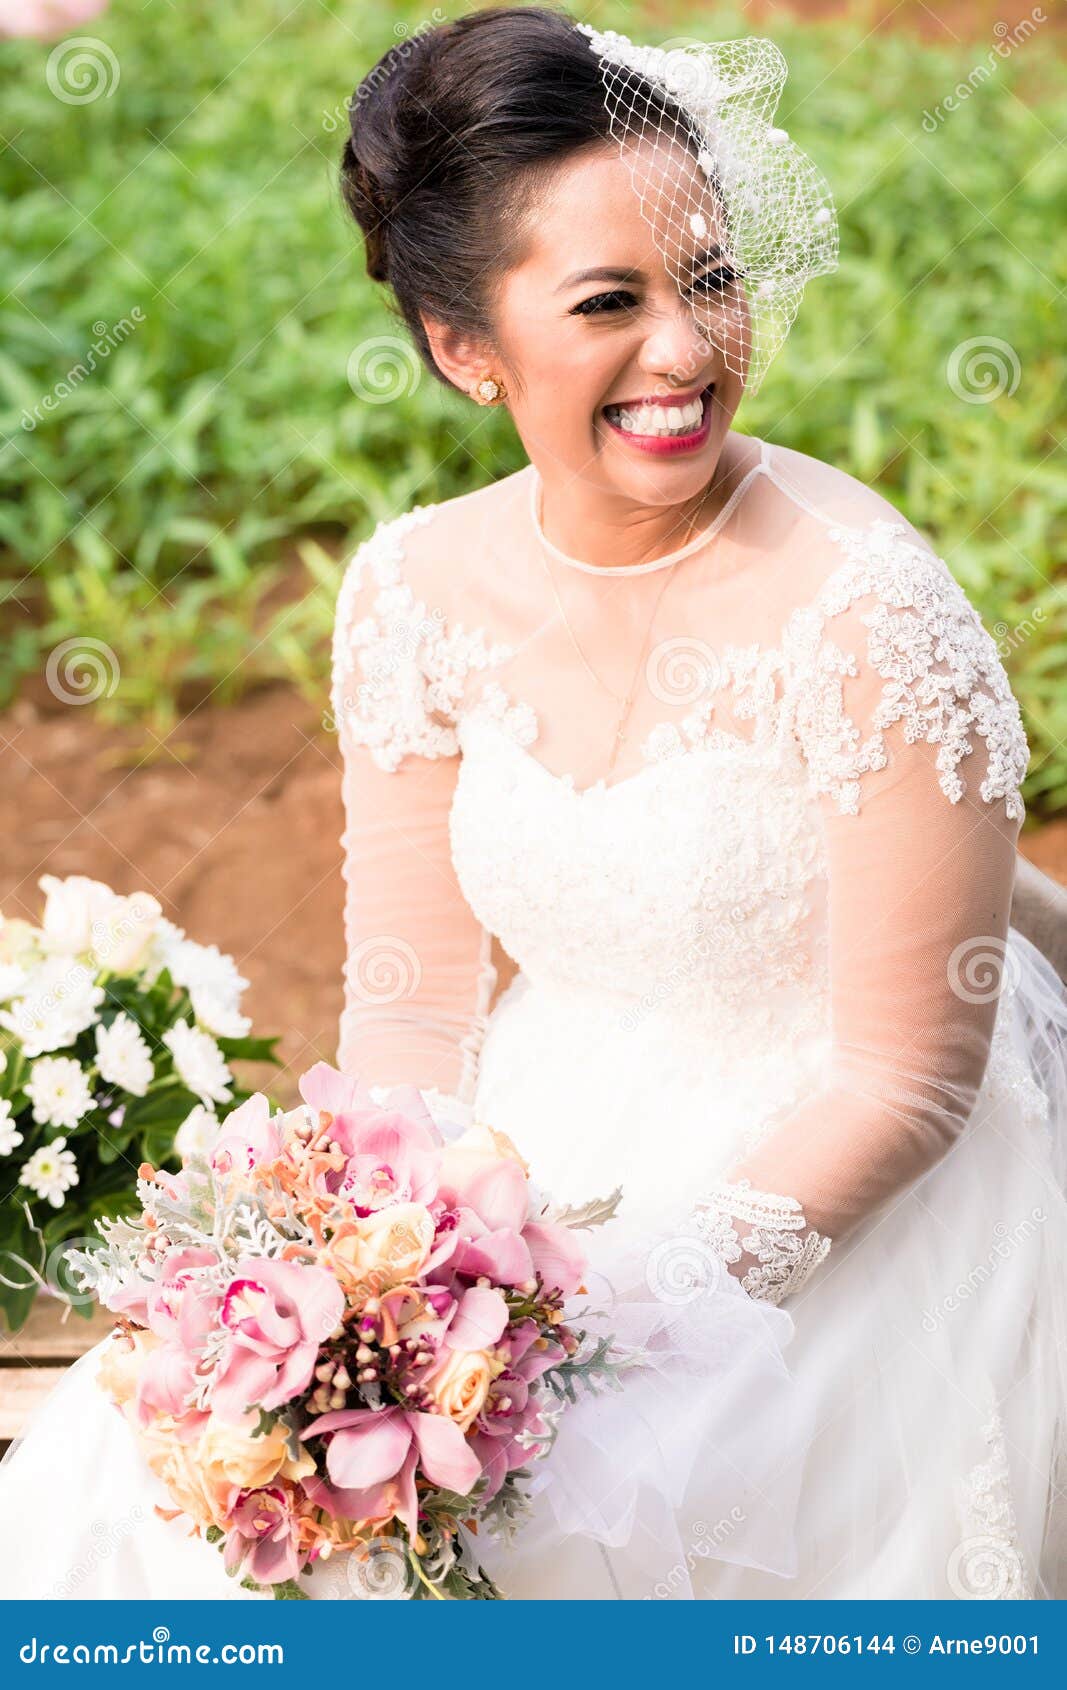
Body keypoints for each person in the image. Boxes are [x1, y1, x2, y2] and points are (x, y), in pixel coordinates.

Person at [2, 6, 1065, 1602]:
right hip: (551, 1148)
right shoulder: (415, 591)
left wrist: (604, 1329)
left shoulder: (868, 610)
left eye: (710, 279)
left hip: (857, 1190)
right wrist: (372, 1287)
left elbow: (909, 1081)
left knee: (557, 1523)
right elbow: (417, 1006)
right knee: (173, 1494)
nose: (688, 350)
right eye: (611, 303)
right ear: (463, 345)